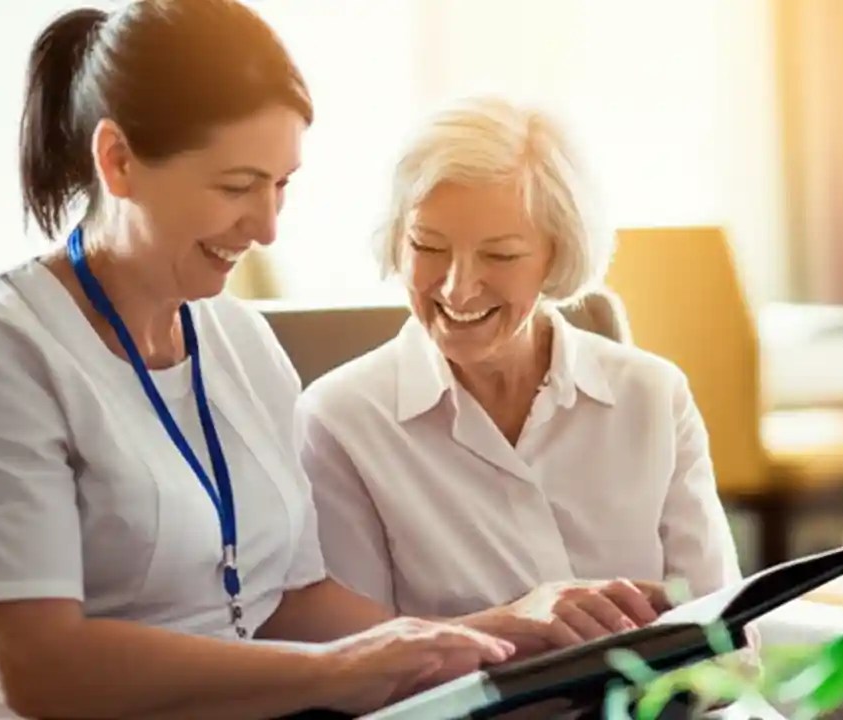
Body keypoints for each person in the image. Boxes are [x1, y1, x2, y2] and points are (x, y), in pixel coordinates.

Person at [0, 4, 516, 719]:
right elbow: (39, 668)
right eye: (236, 186)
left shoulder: (242, 343)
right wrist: (332, 675)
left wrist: (491, 639)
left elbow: (288, 602)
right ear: (117, 160)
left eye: (281, 185)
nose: (265, 226)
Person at [296, 97, 753, 660]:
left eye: (501, 255)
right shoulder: (342, 419)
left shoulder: (652, 396)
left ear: (556, 256)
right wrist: (513, 624)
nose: (458, 288)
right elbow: (362, 666)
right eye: (428, 247)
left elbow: (727, 641)